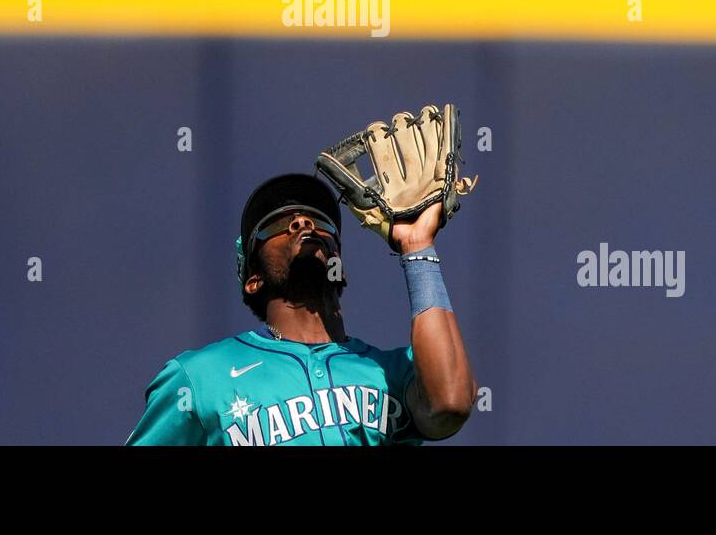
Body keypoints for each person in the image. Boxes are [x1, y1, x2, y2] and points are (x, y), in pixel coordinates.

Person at [125, 172, 478, 445]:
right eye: (277, 225)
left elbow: (450, 404)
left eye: (320, 221)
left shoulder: (392, 372)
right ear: (253, 278)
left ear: (338, 258)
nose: (302, 223)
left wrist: (417, 247)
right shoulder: (200, 377)